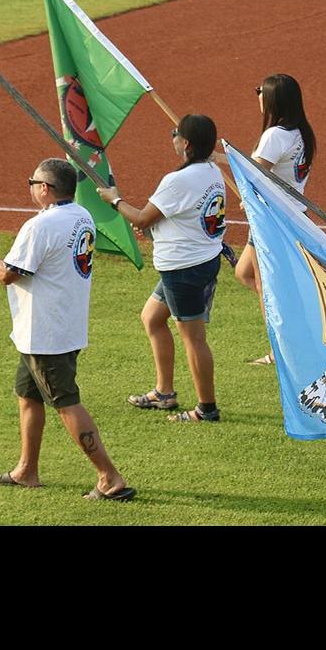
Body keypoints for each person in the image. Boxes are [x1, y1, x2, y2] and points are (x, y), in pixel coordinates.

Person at [0, 158, 135, 501]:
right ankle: (26, 470)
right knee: (28, 396)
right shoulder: (81, 216)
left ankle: (110, 477)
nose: (30, 187)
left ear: (45, 189)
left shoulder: (40, 226)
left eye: (32, 182)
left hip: (45, 332)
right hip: (61, 325)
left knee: (65, 403)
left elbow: (9, 274)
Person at [97, 114, 226, 423]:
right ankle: (164, 393)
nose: (173, 138)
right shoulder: (212, 171)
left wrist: (115, 201)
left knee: (193, 338)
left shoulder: (178, 180)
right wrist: (157, 228)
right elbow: (183, 215)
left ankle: (206, 409)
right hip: (198, 261)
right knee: (152, 318)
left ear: (187, 144)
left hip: (185, 268)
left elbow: (141, 218)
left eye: (175, 134)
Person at [215, 74, 315, 366]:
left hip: (271, 218)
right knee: (245, 273)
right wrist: (220, 158)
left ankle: (282, 349)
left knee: (267, 285)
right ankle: (294, 329)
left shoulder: (274, 136)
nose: (257, 95)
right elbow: (260, 166)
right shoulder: (300, 133)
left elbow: (253, 176)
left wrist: (249, 197)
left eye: (261, 91)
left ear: (273, 99)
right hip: (290, 214)